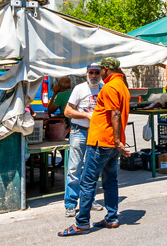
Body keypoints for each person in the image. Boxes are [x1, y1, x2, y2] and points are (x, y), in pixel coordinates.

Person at [59, 57, 131, 236]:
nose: (97, 74)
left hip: (102, 141)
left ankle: (82, 223)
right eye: (92, 72)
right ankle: (112, 217)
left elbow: (115, 114)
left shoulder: (110, 87)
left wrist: (116, 141)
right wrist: (118, 142)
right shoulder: (122, 86)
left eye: (99, 71)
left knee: (88, 181)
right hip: (108, 142)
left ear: (106, 70)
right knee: (110, 180)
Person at [61, 64, 105, 217]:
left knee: (91, 169)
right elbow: (67, 111)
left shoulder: (104, 88)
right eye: (91, 72)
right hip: (79, 132)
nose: (94, 75)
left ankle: (89, 200)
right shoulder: (79, 89)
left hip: (97, 133)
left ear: (101, 74)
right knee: (74, 169)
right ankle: (71, 204)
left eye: (96, 73)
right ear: (86, 74)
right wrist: (86, 116)